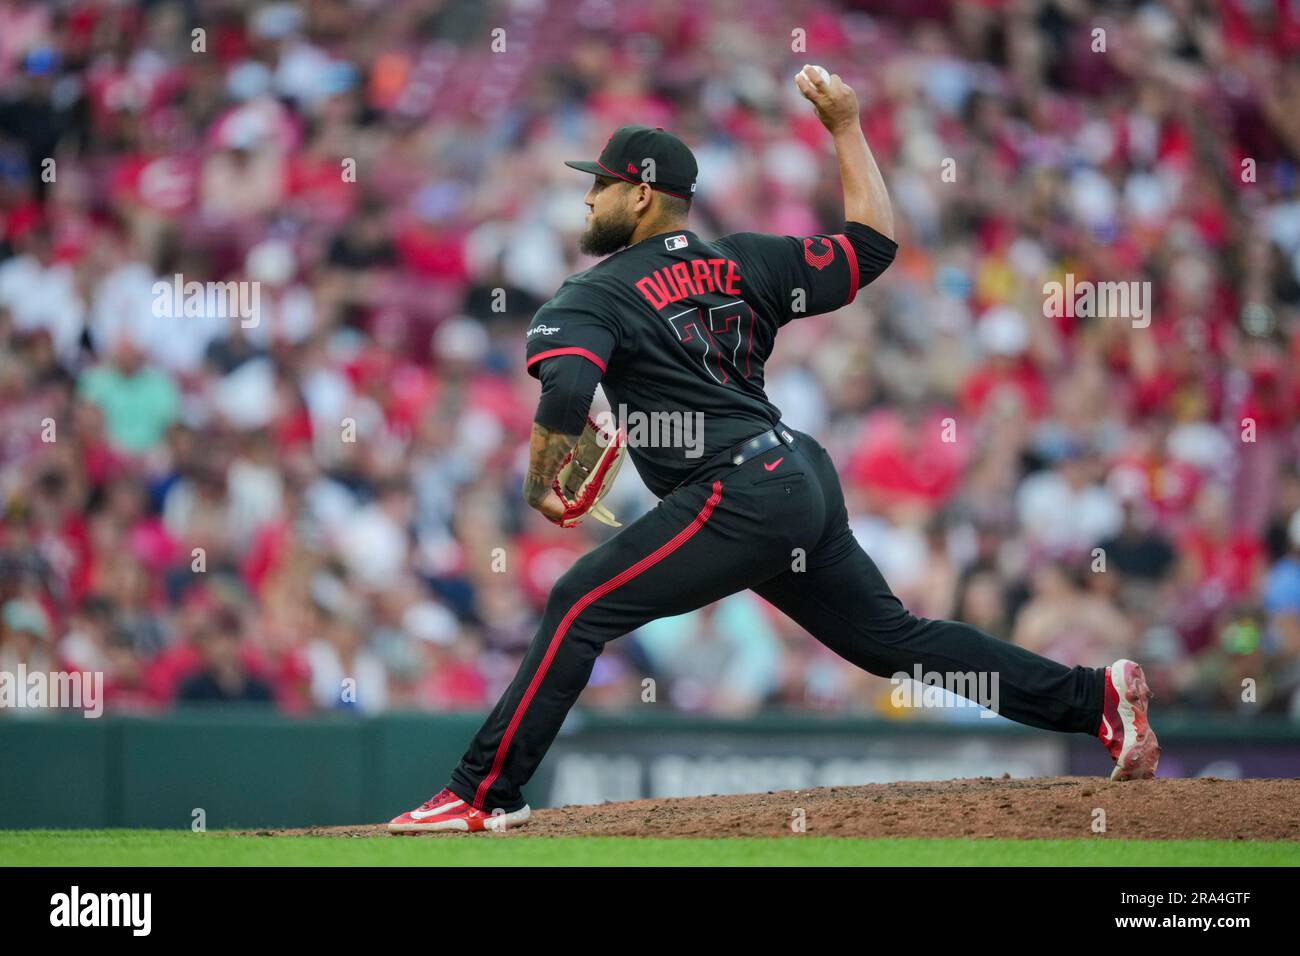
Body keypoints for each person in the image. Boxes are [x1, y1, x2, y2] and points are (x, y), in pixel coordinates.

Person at [389, 66, 1159, 834]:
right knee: (891, 641)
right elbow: (872, 246)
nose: (589, 197)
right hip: (798, 474)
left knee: (578, 602)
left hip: (739, 492)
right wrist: (847, 127)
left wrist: (538, 483)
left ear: (643, 196)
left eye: (602, 184)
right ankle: (1094, 698)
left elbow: (564, 394)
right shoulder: (744, 260)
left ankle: (481, 793)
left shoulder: (593, 294)